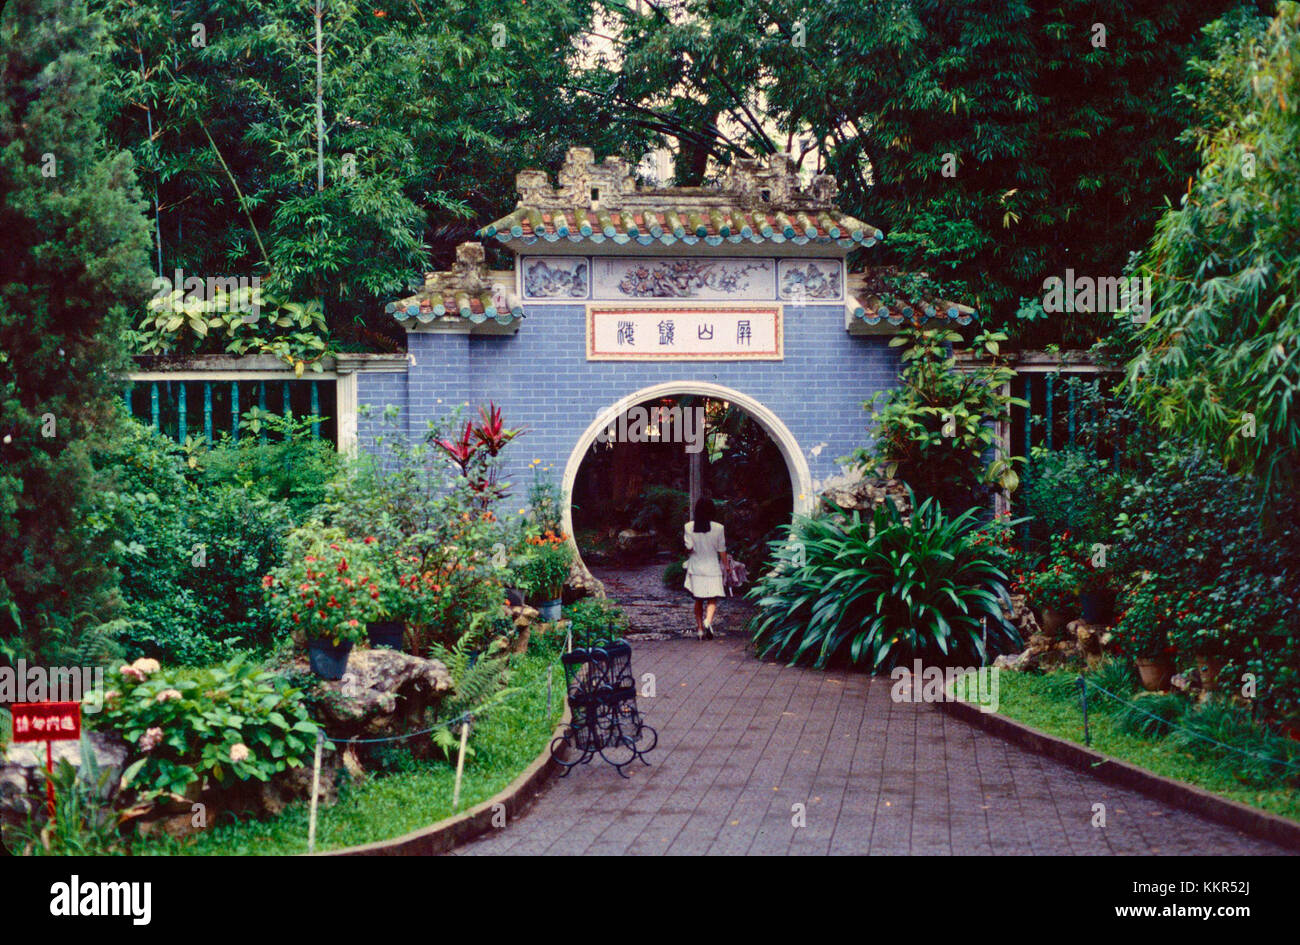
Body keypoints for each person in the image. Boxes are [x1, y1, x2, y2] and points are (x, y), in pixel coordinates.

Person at [683, 497, 729, 640]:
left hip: (696, 568)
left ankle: (700, 630)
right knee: (712, 599)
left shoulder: (689, 527)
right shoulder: (718, 528)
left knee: (698, 600)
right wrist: (726, 566)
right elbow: (722, 549)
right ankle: (708, 621)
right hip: (712, 568)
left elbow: (688, 548)